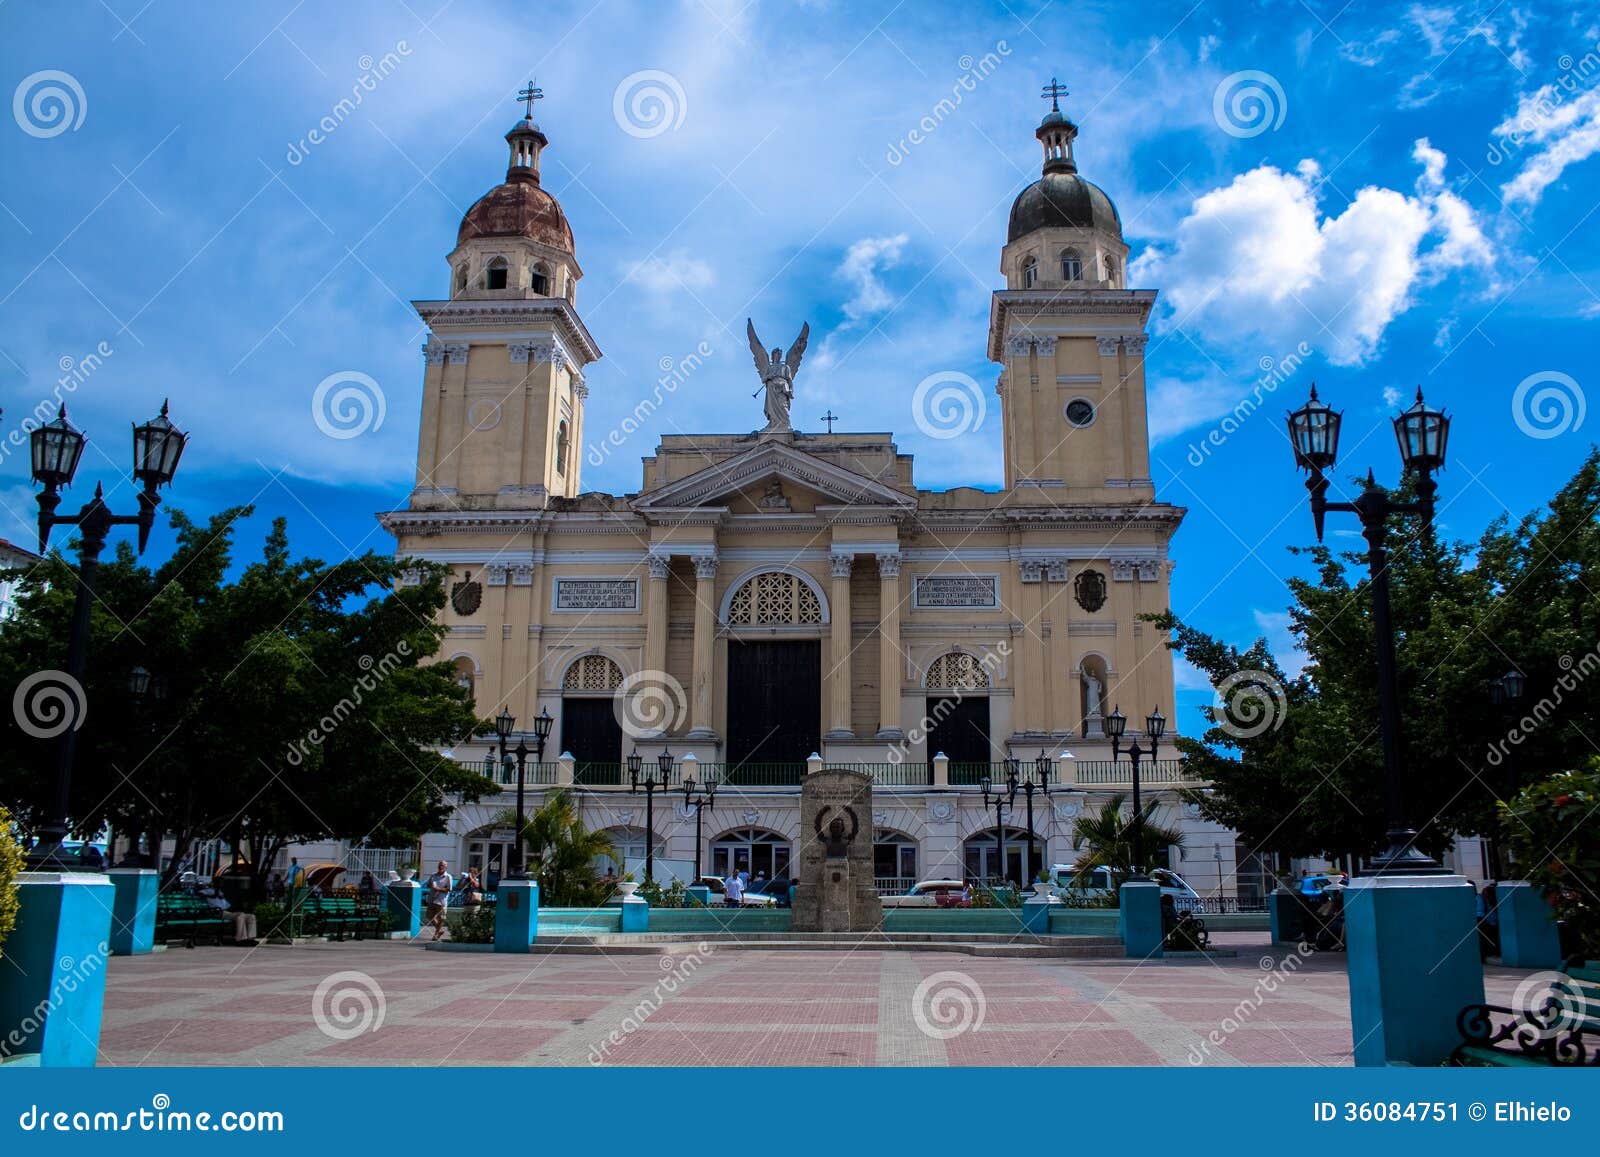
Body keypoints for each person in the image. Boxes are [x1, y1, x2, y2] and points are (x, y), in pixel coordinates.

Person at [425, 860, 453, 941]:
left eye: (442, 865)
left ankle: (436, 935)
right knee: (429, 916)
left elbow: (449, 889)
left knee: (441, 918)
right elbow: (428, 884)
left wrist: (438, 889)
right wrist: (431, 885)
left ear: (445, 867)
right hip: (432, 898)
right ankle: (439, 930)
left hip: (441, 900)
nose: (440, 867)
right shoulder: (433, 875)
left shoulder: (448, 877)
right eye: (439, 865)